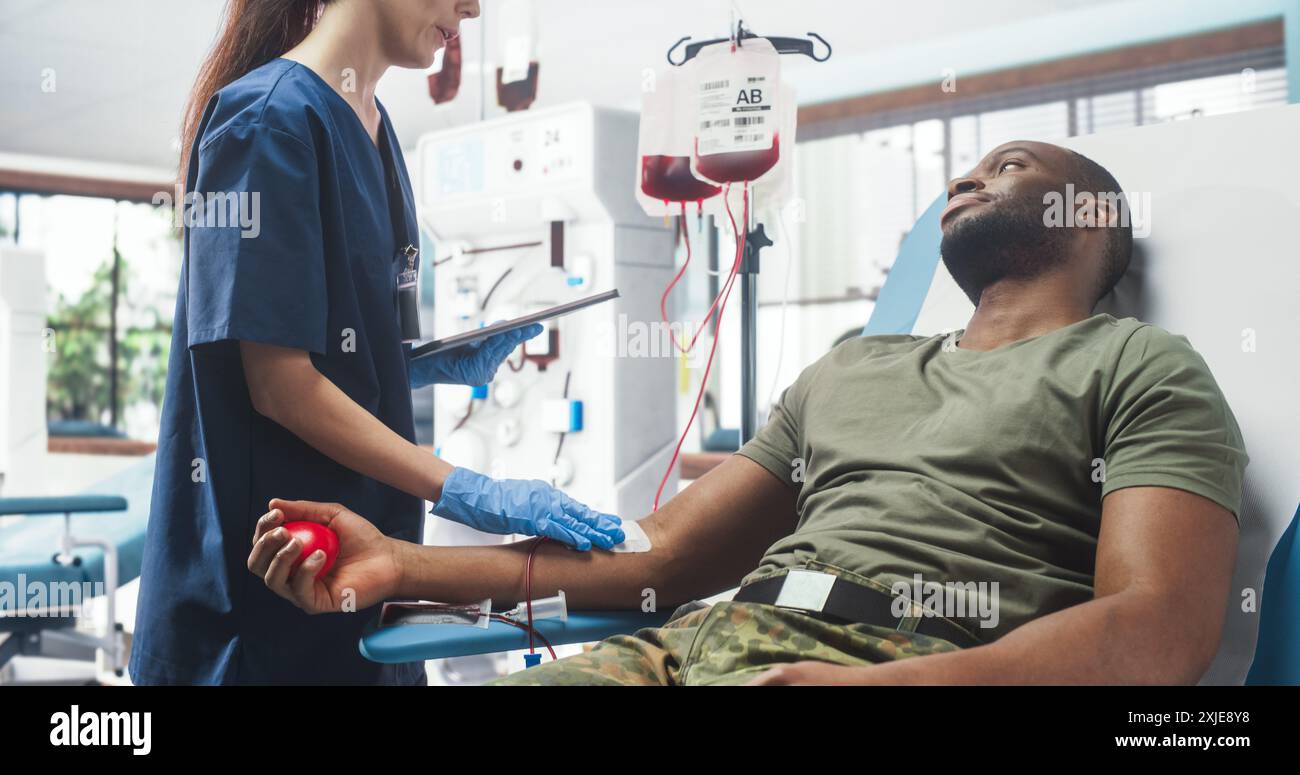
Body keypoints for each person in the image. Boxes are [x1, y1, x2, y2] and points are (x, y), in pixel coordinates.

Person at [247, 140, 1247, 685]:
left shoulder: (1138, 366)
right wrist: (399, 561)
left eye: (1008, 168)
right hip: (690, 645)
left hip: (905, 659)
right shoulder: (852, 367)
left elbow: (1160, 630)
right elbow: (664, 558)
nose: (964, 177)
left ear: (1094, 221)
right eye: (965, 168)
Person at [131, 0, 623, 686]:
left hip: (361, 584)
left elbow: (336, 346)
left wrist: (415, 363)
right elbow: (279, 384)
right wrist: (463, 487)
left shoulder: (374, 126)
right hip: (259, 612)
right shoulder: (268, 122)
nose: (473, 8)